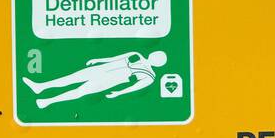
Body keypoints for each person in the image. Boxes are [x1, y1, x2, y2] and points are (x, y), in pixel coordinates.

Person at [22, 50, 168, 108]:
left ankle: (47, 102)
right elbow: (114, 58)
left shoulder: (150, 77)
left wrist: (118, 93)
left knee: (80, 91)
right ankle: (40, 87)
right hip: (100, 69)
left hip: (108, 81)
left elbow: (134, 88)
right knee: (70, 78)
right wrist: (98, 60)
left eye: (158, 57)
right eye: (156, 53)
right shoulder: (136, 54)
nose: (155, 55)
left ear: (159, 63)